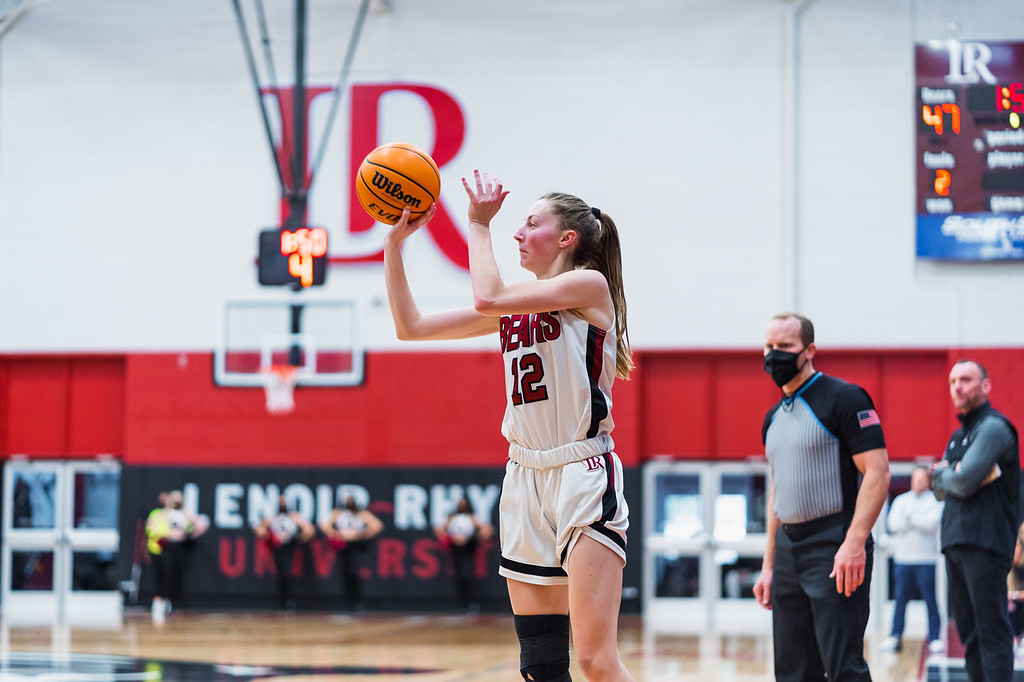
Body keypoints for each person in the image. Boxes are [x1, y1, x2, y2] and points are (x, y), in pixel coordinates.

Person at [384, 170, 635, 681]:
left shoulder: (589, 285)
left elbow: (488, 297)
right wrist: (393, 246)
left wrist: (478, 225)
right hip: (523, 477)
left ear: (567, 239)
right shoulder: (517, 306)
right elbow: (411, 328)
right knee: (540, 666)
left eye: (529, 223)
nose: (517, 233)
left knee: (595, 661)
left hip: (581, 470)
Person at [752, 312, 891, 682]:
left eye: (785, 346)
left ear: (809, 350)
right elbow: (777, 495)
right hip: (788, 552)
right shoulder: (772, 418)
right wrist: (769, 564)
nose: (773, 354)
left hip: (834, 544)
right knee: (793, 671)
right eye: (769, 346)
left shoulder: (845, 398)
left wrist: (854, 543)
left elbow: (878, 473)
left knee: (843, 666)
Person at [929, 359, 1019, 681]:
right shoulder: (958, 437)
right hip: (955, 542)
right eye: (953, 381)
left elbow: (962, 484)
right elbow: (940, 491)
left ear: (985, 386)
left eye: (965, 379)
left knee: (990, 631)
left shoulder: (994, 428)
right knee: (969, 635)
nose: (957, 387)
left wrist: (947, 473)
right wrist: (951, 476)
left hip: (985, 542)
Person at [879, 465, 944, 654]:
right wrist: (916, 520)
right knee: (900, 600)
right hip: (903, 560)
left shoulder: (934, 501)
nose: (918, 482)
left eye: (922, 479)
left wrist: (910, 519)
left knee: (930, 600)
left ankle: (934, 638)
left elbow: (932, 524)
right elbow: (893, 524)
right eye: (915, 479)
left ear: (928, 481)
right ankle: (895, 635)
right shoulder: (901, 501)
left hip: (926, 560)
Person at [145, 489, 208, 624]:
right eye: (174, 500)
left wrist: (188, 534)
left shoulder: (184, 515)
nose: (176, 503)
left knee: (173, 575)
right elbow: (151, 527)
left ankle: (168, 601)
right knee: (160, 575)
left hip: (176, 548)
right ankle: (158, 602)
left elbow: (201, 524)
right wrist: (169, 534)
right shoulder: (160, 514)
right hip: (160, 548)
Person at [320, 496, 384, 613]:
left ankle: (357, 602)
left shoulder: (362, 514)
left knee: (355, 573)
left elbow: (377, 525)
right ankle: (348, 603)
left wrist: (362, 534)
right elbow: (324, 524)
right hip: (344, 546)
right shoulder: (338, 513)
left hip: (356, 546)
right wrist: (334, 533)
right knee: (345, 574)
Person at [254, 495, 315, 610]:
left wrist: (298, 538)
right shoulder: (273, 517)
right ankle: (283, 601)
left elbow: (309, 529)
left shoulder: (294, 517)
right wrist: (269, 536)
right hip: (277, 547)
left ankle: (289, 601)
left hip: (289, 546)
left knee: (287, 573)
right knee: (280, 573)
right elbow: (258, 528)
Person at [435, 497, 494, 613]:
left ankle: (471, 603)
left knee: (467, 576)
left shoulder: (472, 518)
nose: (461, 506)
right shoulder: (452, 517)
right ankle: (462, 603)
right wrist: (449, 538)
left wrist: (472, 539)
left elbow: (488, 529)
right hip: (456, 549)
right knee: (459, 577)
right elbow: (439, 529)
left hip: (468, 549)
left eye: (463, 503)